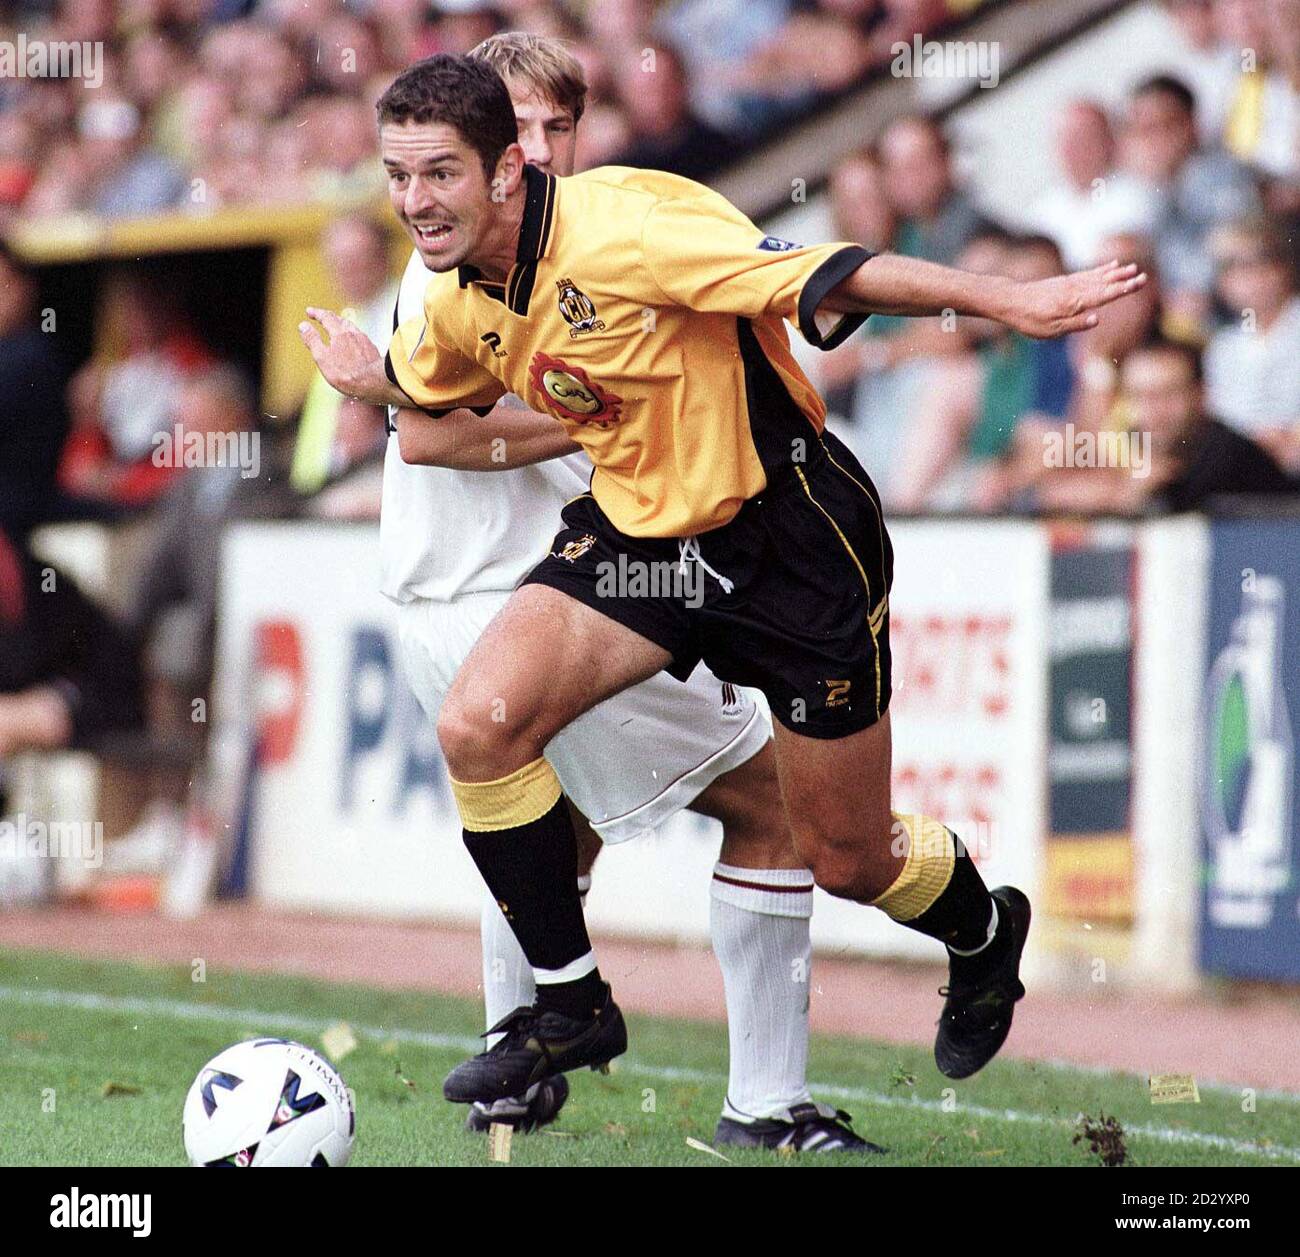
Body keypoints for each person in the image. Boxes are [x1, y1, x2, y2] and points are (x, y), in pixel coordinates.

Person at [304, 53, 1146, 1110]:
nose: (415, 202)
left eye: (438, 174)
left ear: (506, 169)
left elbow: (830, 274)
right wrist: (364, 377)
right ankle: (568, 1006)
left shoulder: (634, 226)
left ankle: (982, 932)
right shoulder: (446, 298)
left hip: (788, 539)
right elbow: (430, 400)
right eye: (397, 175)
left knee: (846, 856)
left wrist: (1007, 300)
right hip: (640, 539)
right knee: (481, 724)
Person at [309, 33, 877, 1156]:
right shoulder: (474, 272)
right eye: (516, 128)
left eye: (557, 127)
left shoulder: (549, 250)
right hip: (511, 589)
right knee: (767, 807)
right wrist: (627, 394)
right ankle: (765, 1103)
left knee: (535, 824)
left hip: (458, 597)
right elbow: (445, 433)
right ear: (484, 151)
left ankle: (516, 1052)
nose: (537, 147)